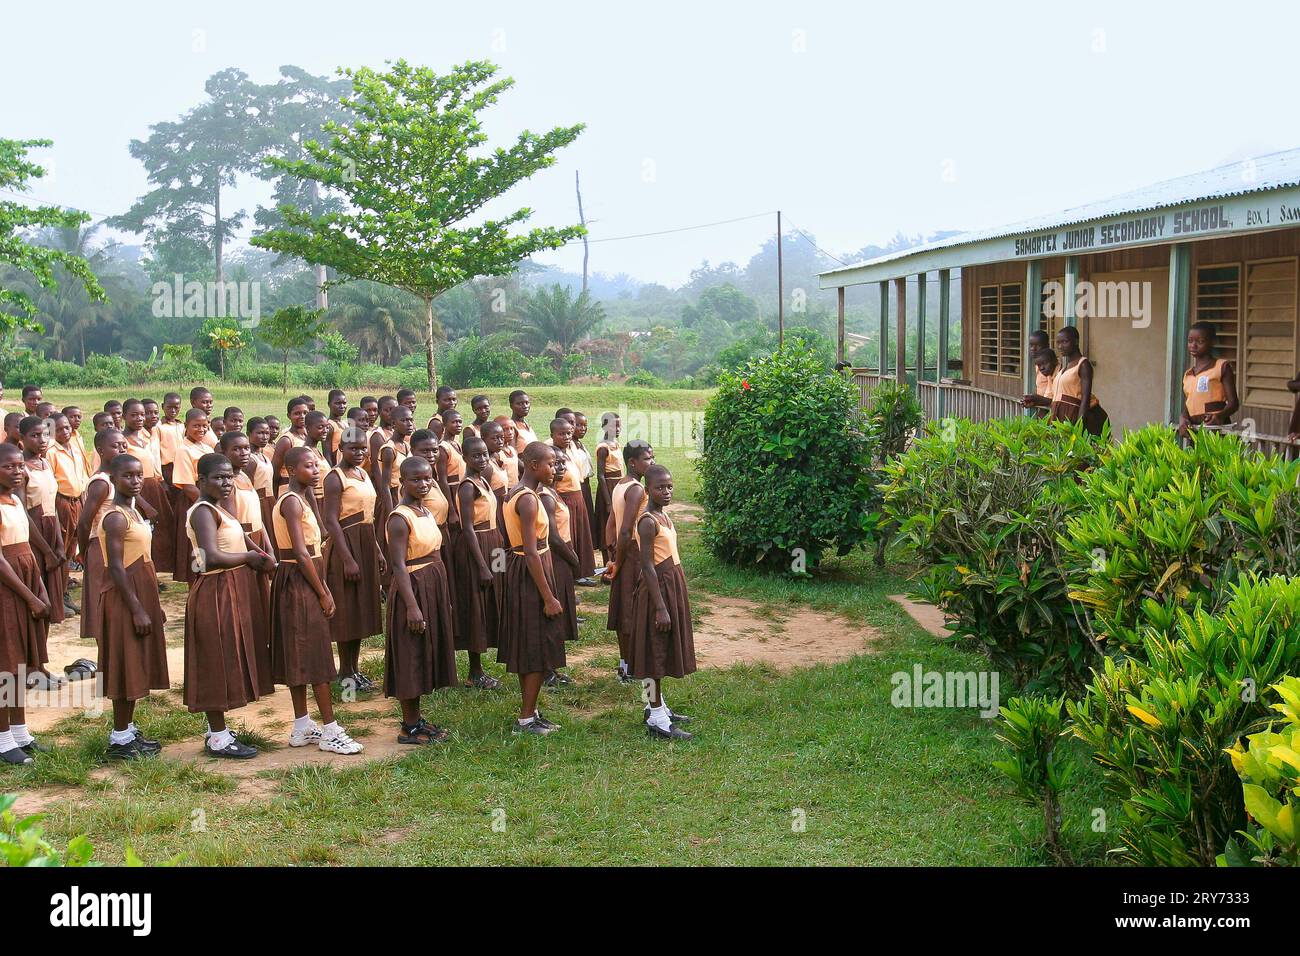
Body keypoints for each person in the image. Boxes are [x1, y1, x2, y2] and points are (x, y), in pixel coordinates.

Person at [184, 454, 277, 759]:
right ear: (202, 481)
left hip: (231, 586)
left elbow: (240, 538)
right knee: (215, 661)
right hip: (215, 589)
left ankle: (218, 731)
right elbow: (210, 556)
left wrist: (261, 555)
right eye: (218, 478)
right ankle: (218, 737)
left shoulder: (222, 507)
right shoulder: (202, 512)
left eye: (228, 477)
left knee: (227, 656)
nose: (226, 483)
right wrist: (250, 560)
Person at [270, 447, 362, 755]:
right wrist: (322, 591)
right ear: (291, 470)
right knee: (317, 657)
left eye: (317, 465)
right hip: (299, 579)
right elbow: (299, 552)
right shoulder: (292, 503)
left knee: (299, 653)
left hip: (302, 575)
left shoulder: (302, 499)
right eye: (309, 466)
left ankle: (301, 725)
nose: (316, 470)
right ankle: (330, 730)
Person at [98, 454, 169, 759]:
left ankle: (127, 730)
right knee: (124, 664)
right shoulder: (115, 517)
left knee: (136, 663)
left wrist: (153, 604)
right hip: (124, 594)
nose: (136, 480)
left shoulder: (135, 511)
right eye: (128, 476)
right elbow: (115, 567)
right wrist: (137, 608)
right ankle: (119, 739)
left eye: (139, 475)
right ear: (113, 480)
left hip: (142, 590)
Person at [384, 457, 458, 743]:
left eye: (427, 478)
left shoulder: (424, 510)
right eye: (416, 479)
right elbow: (399, 565)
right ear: (403, 481)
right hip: (412, 587)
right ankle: (409, 727)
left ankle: (416, 719)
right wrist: (412, 606)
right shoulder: (400, 517)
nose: (423, 483)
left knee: (422, 652)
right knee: (410, 654)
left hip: (431, 584)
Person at [500, 442, 566, 735]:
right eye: (550, 464)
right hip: (531, 572)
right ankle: (525, 719)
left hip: (527, 568)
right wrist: (548, 596)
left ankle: (532, 711)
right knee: (537, 645)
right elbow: (529, 550)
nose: (555, 469)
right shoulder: (527, 500)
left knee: (530, 645)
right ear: (534, 465)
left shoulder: (515, 494)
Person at [630, 465, 696, 740]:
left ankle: (655, 706)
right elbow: (646, 566)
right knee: (652, 654)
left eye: (669, 486)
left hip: (671, 584)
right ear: (648, 491)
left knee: (659, 650)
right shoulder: (648, 521)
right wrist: (659, 606)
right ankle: (657, 718)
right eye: (660, 487)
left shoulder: (663, 516)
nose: (666, 491)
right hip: (657, 590)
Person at [0, 442, 51, 764]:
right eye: (9, 467)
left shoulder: (16, 500)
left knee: (19, 663)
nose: (18, 472)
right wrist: (29, 595)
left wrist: (40, 587)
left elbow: (27, 549)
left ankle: (20, 731)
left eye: (20, 466)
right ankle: (3, 740)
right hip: (9, 589)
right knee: (5, 664)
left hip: (26, 580)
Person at [322, 426, 383, 692]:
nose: (359, 453)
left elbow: (368, 516)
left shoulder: (362, 473)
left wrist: (377, 550)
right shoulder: (335, 478)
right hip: (347, 544)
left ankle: (354, 669)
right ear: (341, 449)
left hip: (366, 542)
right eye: (353, 448)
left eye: (362, 448)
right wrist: (347, 558)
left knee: (360, 609)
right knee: (347, 611)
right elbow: (331, 521)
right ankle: (344, 673)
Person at [451, 436, 503, 690]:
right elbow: (468, 528)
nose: (482, 459)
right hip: (476, 547)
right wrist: (482, 565)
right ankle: (475, 671)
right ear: (465, 458)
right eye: (476, 455)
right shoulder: (468, 486)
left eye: (484, 454)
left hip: (492, 541)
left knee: (491, 600)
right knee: (475, 605)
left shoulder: (484, 480)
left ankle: (482, 665)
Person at [606, 440, 655, 683]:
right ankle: (630, 666)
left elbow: (610, 524)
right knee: (630, 611)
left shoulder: (620, 485)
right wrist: (620, 559)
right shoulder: (636, 489)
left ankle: (625, 664)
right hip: (632, 552)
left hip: (622, 550)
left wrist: (611, 554)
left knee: (623, 608)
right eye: (647, 459)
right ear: (632, 463)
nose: (652, 462)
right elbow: (625, 529)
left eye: (652, 457)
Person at [77, 428, 129, 645]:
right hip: (101, 546)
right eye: (116, 445)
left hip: (119, 546)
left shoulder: (119, 478)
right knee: (102, 600)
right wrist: (85, 551)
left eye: (124, 444)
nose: (122, 448)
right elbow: (84, 521)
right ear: (101, 450)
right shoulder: (101, 483)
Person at [19, 416, 66, 626]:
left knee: (50, 589)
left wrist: (59, 543)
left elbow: (52, 505)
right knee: (35, 587)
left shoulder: (45, 462)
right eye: (35, 435)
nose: (41, 440)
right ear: (22, 438)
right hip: (33, 532)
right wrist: (46, 550)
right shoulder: (21, 468)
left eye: (45, 435)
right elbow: (22, 512)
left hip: (50, 527)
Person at [539, 449, 579, 687]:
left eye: (563, 463)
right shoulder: (545, 496)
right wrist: (574, 559)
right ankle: (546, 669)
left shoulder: (554, 491)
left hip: (562, 556)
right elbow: (553, 536)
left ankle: (552, 666)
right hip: (555, 558)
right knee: (551, 615)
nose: (560, 468)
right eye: (555, 464)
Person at [122, 398, 175, 574]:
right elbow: (124, 477)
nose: (139, 418)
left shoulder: (144, 439)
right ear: (124, 416)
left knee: (159, 533)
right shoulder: (123, 442)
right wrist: (143, 503)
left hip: (153, 487)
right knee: (140, 532)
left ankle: (153, 572)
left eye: (141, 415)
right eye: (134, 415)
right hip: (137, 491)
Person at [548, 417, 596, 581]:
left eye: (569, 433)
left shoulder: (570, 450)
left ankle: (582, 571)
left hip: (577, 497)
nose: (566, 437)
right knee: (569, 537)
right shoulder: (552, 454)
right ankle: (572, 574)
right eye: (561, 434)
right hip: (564, 498)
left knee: (580, 535)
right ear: (552, 435)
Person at [171, 409, 213, 584]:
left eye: (204, 426)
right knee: (194, 544)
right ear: (186, 426)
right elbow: (187, 485)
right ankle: (194, 583)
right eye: (196, 426)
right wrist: (210, 505)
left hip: (207, 498)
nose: (201, 429)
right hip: (193, 500)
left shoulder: (206, 447)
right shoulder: (183, 450)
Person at [1179, 321, 1239, 440]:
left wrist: (1219, 416)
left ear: (1212, 342)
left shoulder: (1221, 367)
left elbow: (1234, 403)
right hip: (1195, 433)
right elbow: (1189, 404)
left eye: (1200, 341)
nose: (1193, 345)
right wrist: (1183, 418)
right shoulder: (1188, 374)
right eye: (1190, 341)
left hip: (1217, 431)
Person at [1047, 326, 1108, 437]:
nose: (1060, 346)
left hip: (1072, 416)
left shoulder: (1083, 365)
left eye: (1065, 342)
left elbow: (1085, 399)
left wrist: (1079, 427)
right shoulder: (1064, 368)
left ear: (1075, 341)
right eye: (1058, 343)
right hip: (1060, 417)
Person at [49, 413, 88, 582]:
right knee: (62, 549)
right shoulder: (51, 452)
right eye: (58, 429)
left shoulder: (74, 447)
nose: (64, 431)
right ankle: (58, 590)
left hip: (77, 501)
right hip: (62, 502)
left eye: (67, 427)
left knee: (72, 546)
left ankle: (64, 589)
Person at [594, 412, 622, 566]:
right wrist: (608, 501)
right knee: (607, 523)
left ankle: (618, 558)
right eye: (613, 425)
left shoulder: (616, 444)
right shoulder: (603, 448)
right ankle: (607, 562)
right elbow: (600, 475)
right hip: (608, 488)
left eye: (619, 425)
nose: (617, 429)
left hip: (618, 486)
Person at [271, 397, 311, 495]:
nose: (302, 416)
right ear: (289, 416)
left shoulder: (308, 436)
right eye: (297, 413)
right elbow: (274, 473)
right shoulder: (286, 440)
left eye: (305, 413)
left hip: (305, 490)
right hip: (289, 490)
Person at [245, 416, 276, 532]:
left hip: (269, 500)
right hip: (259, 502)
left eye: (267, 433)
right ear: (249, 433)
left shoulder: (263, 455)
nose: (265, 437)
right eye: (260, 433)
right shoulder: (250, 459)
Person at [1020, 349, 1059, 415]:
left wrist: (1038, 399)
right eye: (1039, 365)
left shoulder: (1059, 376)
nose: (1041, 368)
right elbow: (1049, 400)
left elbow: (1059, 402)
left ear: (1055, 361)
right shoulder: (1050, 376)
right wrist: (1035, 402)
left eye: (1044, 363)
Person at [325, 390, 348, 466]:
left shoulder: (345, 424)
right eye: (337, 403)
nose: (342, 406)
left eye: (344, 403)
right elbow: (327, 454)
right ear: (329, 404)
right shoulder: (329, 426)